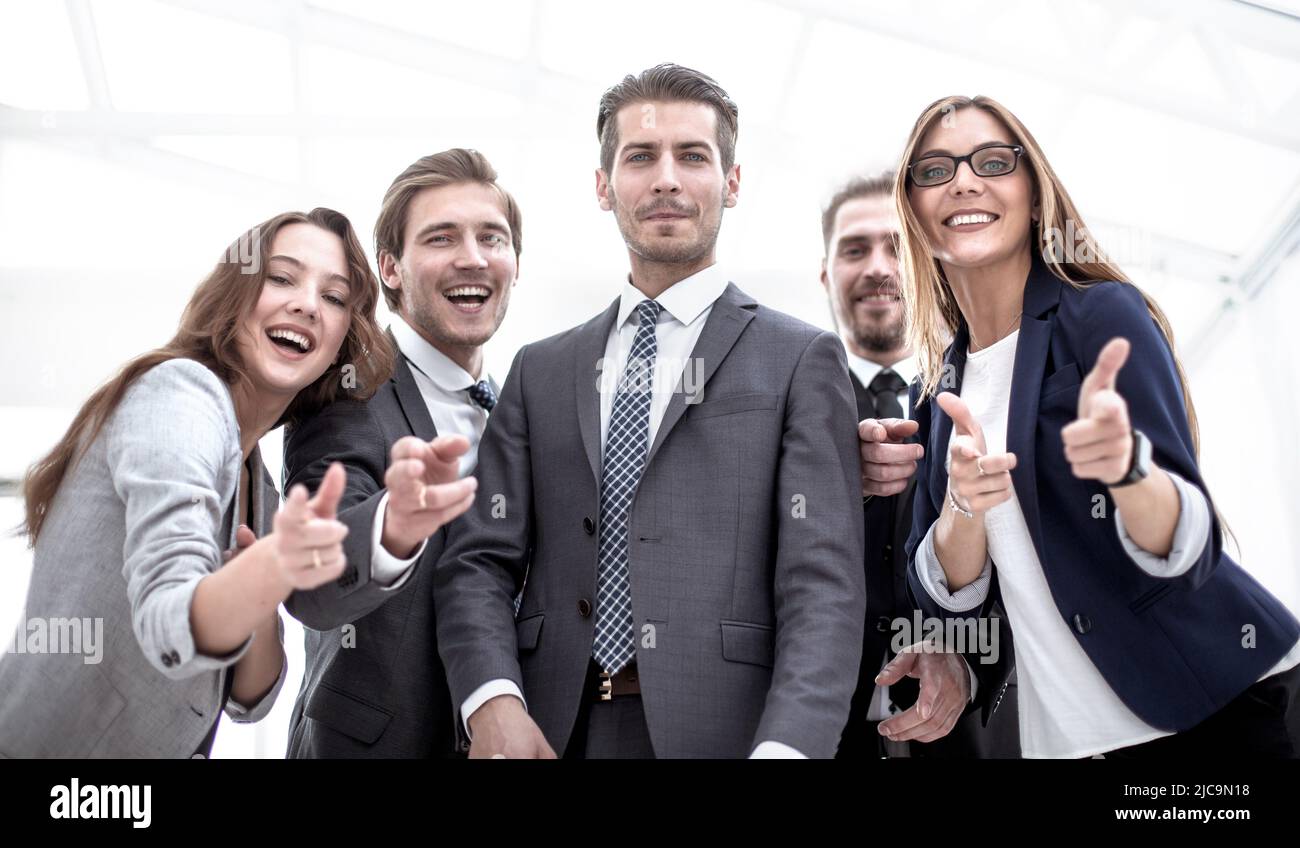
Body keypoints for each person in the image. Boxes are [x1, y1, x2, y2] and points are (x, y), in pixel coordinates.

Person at [433, 63, 866, 759]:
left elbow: (824, 589)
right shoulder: (540, 371)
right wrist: (491, 702)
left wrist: (790, 748)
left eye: (692, 156)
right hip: (547, 733)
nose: (666, 178)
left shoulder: (800, 360)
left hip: (729, 737)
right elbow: (477, 563)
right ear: (604, 187)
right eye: (641, 156)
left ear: (731, 182)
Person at [897, 95, 1300, 758]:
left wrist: (1127, 470)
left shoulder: (1100, 317)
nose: (964, 180)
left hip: (1202, 717)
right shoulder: (936, 387)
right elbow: (952, 603)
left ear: (1033, 193)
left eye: (993, 162)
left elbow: (1188, 549)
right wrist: (962, 509)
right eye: (935, 170)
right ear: (912, 209)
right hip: (1068, 743)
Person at [0, 208, 391, 757]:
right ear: (235, 296)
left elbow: (250, 697)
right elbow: (169, 622)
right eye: (281, 278)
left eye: (334, 297)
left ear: (340, 343)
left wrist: (257, 587)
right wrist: (266, 573)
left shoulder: (259, 484)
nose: (306, 303)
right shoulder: (180, 395)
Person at [282, 149, 510, 757]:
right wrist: (393, 526)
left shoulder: (520, 410)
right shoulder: (343, 390)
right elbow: (314, 582)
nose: (473, 257)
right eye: (442, 237)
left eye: (493, 237)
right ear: (389, 268)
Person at [824, 173, 1019, 758]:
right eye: (854, 249)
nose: (878, 267)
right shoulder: (786, 411)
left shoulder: (992, 392)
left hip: (972, 739)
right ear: (825, 273)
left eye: (894, 246)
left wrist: (966, 655)